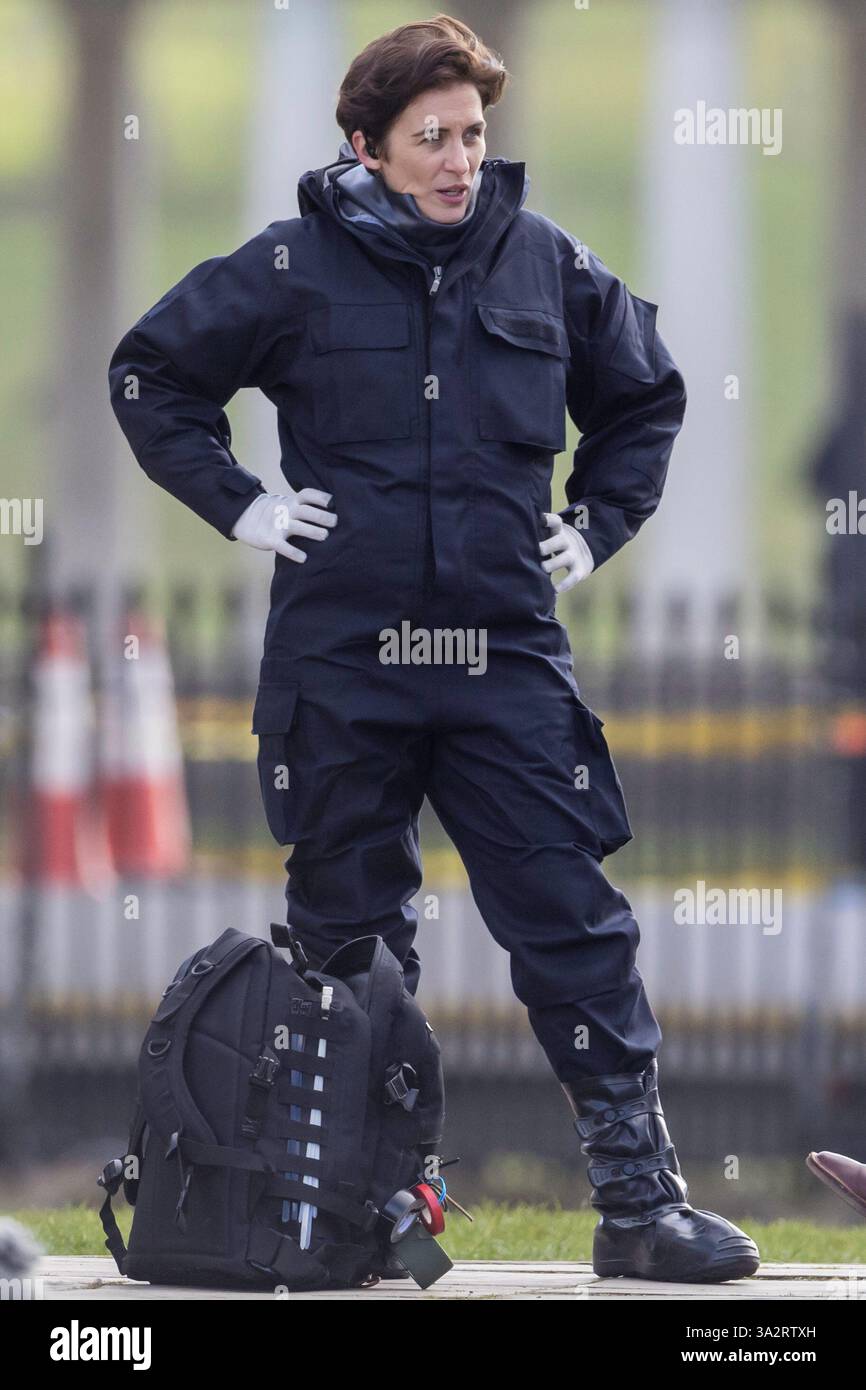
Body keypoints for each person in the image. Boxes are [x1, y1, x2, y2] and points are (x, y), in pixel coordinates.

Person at [108, 13, 760, 1283]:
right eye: (431, 138)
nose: (461, 159)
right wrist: (240, 504)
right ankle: (359, 1213)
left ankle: (639, 1205)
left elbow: (646, 395)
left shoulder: (543, 263)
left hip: (504, 661)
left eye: (472, 134)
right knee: (350, 950)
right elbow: (151, 372)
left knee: (573, 925)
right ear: (367, 144)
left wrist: (596, 522)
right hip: (340, 661)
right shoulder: (290, 267)